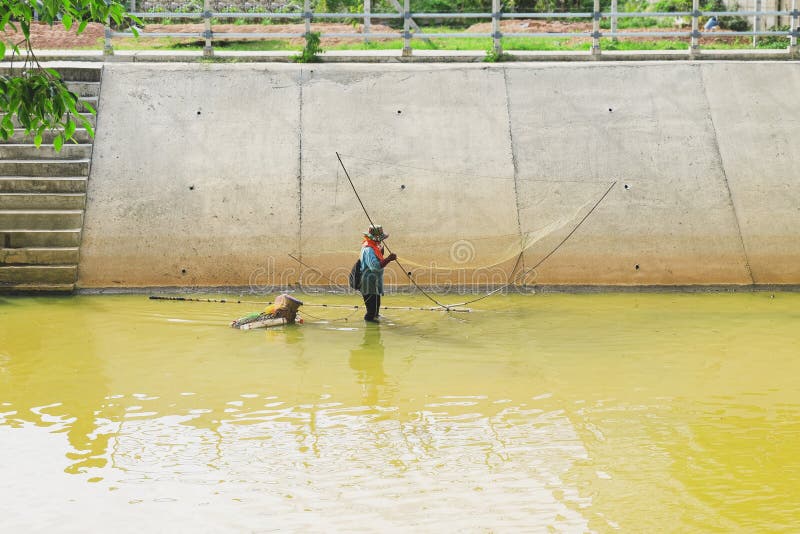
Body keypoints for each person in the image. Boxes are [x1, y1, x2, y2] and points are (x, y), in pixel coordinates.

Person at [359, 224, 396, 322]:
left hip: (374, 282)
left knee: (376, 307)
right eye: (379, 238)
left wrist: (382, 254)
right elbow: (374, 267)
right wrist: (388, 259)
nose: (380, 241)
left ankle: (376, 320)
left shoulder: (374, 246)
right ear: (375, 238)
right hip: (368, 283)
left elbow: (376, 260)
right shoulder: (369, 249)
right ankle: (370, 330)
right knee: (371, 312)